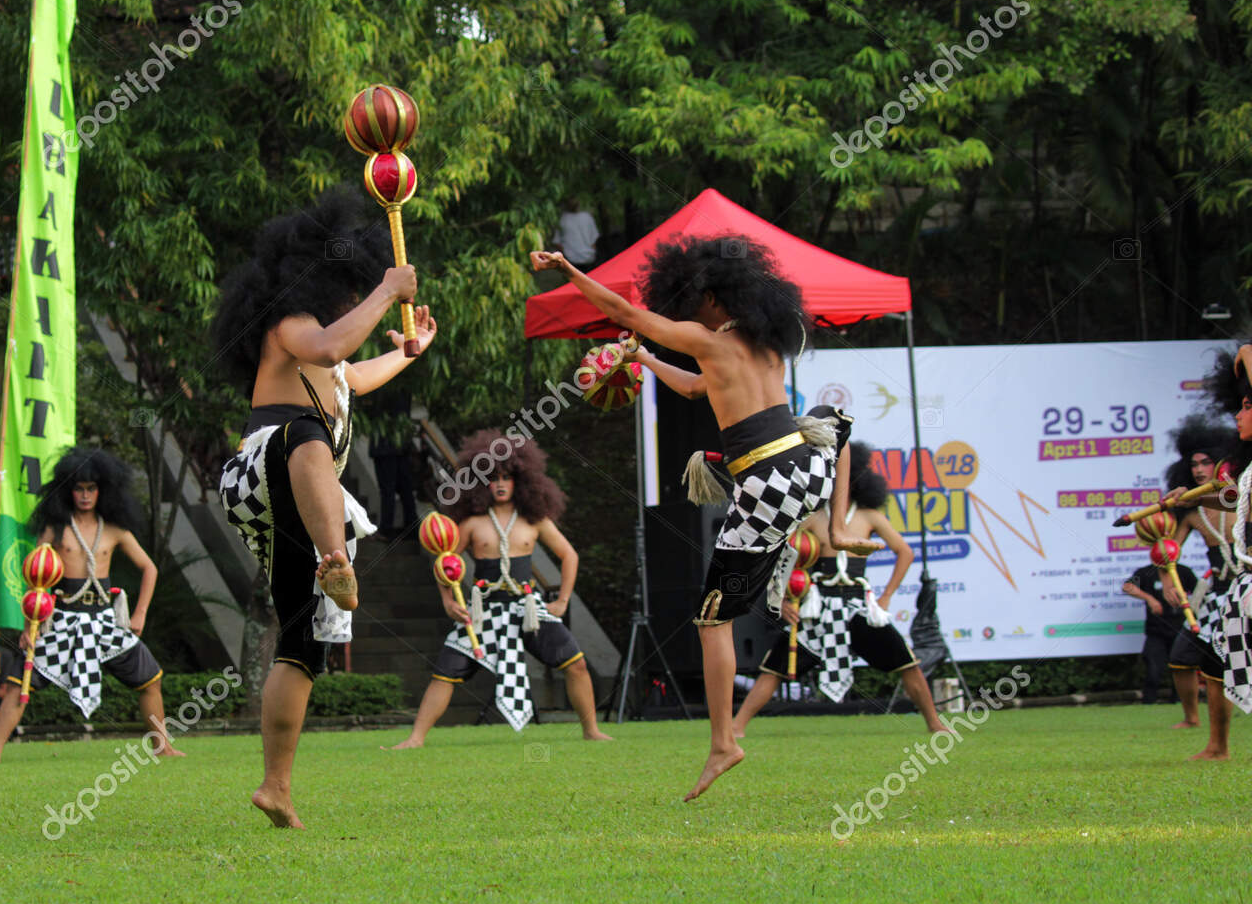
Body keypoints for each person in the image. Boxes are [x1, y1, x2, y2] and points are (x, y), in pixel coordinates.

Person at [531, 236, 872, 803]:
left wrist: (569, 269)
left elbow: (623, 312)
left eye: (693, 301)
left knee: (712, 620)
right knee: (832, 423)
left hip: (764, 483)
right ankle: (835, 527)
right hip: (806, 468)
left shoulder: (708, 340)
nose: (688, 312)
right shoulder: (766, 345)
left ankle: (723, 741)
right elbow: (694, 387)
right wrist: (642, 359)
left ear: (712, 296)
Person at [216, 189, 436, 827]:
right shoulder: (289, 325)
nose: (350, 298)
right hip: (264, 469)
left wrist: (407, 347)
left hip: (296, 504)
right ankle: (336, 555)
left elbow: (356, 372)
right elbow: (332, 349)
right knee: (308, 433)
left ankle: (275, 787)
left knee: (301, 645)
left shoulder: (331, 359)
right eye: (347, 288)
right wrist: (389, 290)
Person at [385, 430, 611, 749]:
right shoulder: (472, 523)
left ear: (521, 480)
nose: (501, 483)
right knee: (445, 671)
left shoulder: (536, 520)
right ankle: (415, 738)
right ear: (483, 483)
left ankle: (591, 730)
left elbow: (569, 555)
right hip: (483, 610)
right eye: (493, 478)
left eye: (507, 477)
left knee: (576, 663)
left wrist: (561, 600)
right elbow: (445, 563)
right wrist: (449, 601)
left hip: (528, 609)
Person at [0, 447, 177, 763]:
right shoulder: (55, 529)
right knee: (19, 680)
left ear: (102, 490)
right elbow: (35, 577)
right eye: (79, 488)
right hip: (61, 618)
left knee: (151, 677)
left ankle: (162, 746)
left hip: (104, 620)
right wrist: (31, 625)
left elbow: (149, 568)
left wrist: (139, 614)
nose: (85, 495)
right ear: (68, 491)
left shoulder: (115, 530)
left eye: (91, 488)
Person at [733, 443, 947, 736]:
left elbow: (905, 553)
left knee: (907, 663)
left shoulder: (869, 516)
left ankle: (935, 724)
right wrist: (781, 599)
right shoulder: (812, 516)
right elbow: (781, 555)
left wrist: (885, 597)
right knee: (775, 668)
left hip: (859, 606)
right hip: (816, 607)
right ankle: (736, 727)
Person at [1175, 342, 1252, 759]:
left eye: (1244, 407)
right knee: (1217, 658)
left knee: (1221, 655)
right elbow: (1232, 501)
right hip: (1242, 585)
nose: (1237, 416)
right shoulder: (1248, 470)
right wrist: (1189, 500)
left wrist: (1245, 350)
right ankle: (1218, 746)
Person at [1158, 416, 1236, 729]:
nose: (1200, 469)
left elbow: (1233, 498)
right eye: (1194, 464)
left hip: (1245, 584)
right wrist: (1167, 579)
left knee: (1231, 658)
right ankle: (1192, 718)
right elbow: (1167, 552)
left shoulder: (1241, 493)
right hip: (1217, 591)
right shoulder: (1192, 511)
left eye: (1206, 462)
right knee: (1184, 655)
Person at [1122, 561, 1196, 706]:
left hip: (1180, 630)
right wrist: (1149, 599)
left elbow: (1199, 592)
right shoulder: (1146, 572)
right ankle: (1148, 703)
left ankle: (1179, 702)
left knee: (1181, 668)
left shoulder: (1183, 571)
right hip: (1156, 631)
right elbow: (1127, 587)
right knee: (1153, 670)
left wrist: (1185, 600)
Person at [369, 390, 418, 536]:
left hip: (385, 445)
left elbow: (374, 410)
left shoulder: (383, 383)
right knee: (405, 488)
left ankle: (386, 529)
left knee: (388, 490)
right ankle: (411, 527)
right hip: (401, 444)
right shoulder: (403, 384)